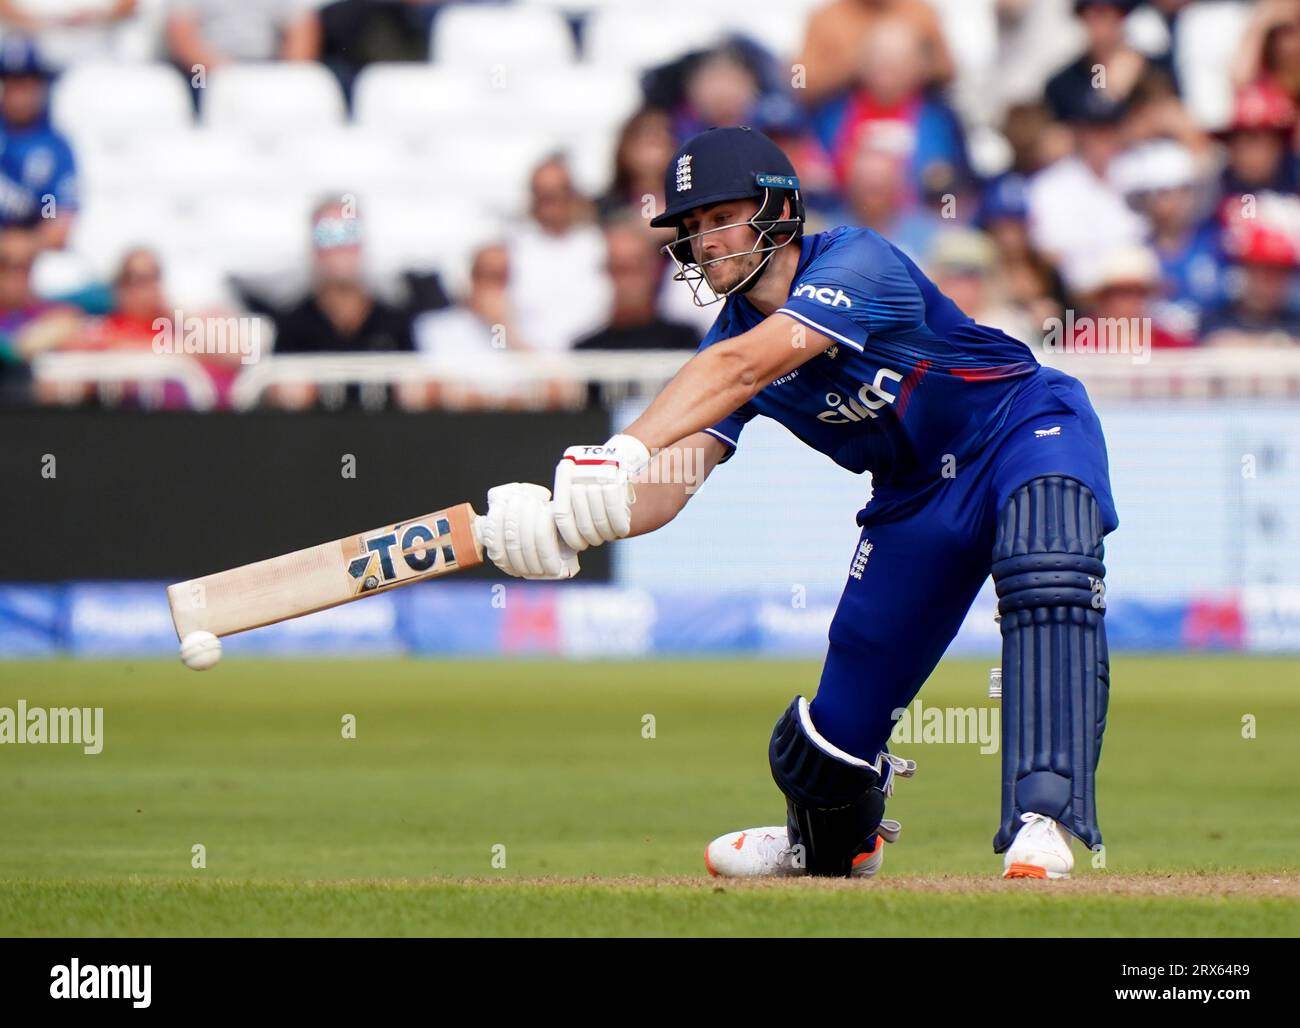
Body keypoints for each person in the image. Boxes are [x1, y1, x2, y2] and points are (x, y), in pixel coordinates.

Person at [478, 127, 1119, 882]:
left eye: (721, 218)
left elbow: (750, 363)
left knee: (1049, 564)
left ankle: (1042, 820)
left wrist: (616, 449)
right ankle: (829, 846)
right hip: (914, 499)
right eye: (691, 228)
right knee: (829, 750)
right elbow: (670, 485)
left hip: (1021, 426)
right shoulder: (728, 346)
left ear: (780, 209)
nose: (704, 242)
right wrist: (570, 523)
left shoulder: (856, 262)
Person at [0, 37, 78, 249]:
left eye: (26, 83)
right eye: (12, 83)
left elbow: (54, 217)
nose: (19, 95)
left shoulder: (54, 148)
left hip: (29, 257)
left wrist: (19, 248)